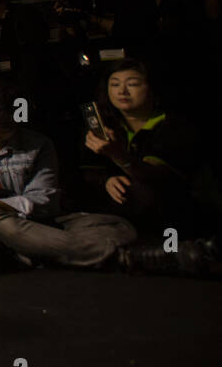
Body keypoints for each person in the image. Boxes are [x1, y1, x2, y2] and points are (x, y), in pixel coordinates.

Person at [0, 81, 141, 270]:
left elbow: (45, 201)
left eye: (5, 129)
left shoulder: (37, 144)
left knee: (118, 226)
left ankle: (32, 253)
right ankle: (121, 257)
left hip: (28, 220)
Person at [84, 60, 216, 241]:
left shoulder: (175, 126)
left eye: (132, 84)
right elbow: (87, 170)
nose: (122, 91)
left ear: (153, 89)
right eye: (114, 84)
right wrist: (107, 180)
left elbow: (156, 176)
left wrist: (118, 155)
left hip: (182, 213)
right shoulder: (111, 127)